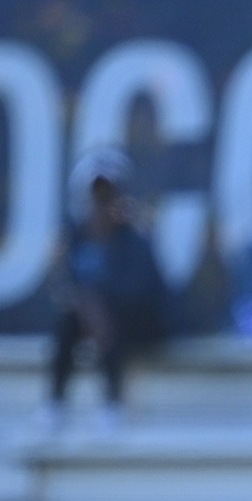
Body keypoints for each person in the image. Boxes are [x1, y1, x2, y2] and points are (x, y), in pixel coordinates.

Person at [45, 149, 167, 434]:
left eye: (108, 196)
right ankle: (55, 404)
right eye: (97, 196)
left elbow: (141, 289)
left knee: (109, 318)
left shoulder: (134, 238)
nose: (102, 204)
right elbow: (64, 283)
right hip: (92, 316)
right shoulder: (74, 237)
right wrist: (86, 304)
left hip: (138, 321)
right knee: (68, 324)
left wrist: (98, 304)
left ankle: (112, 403)